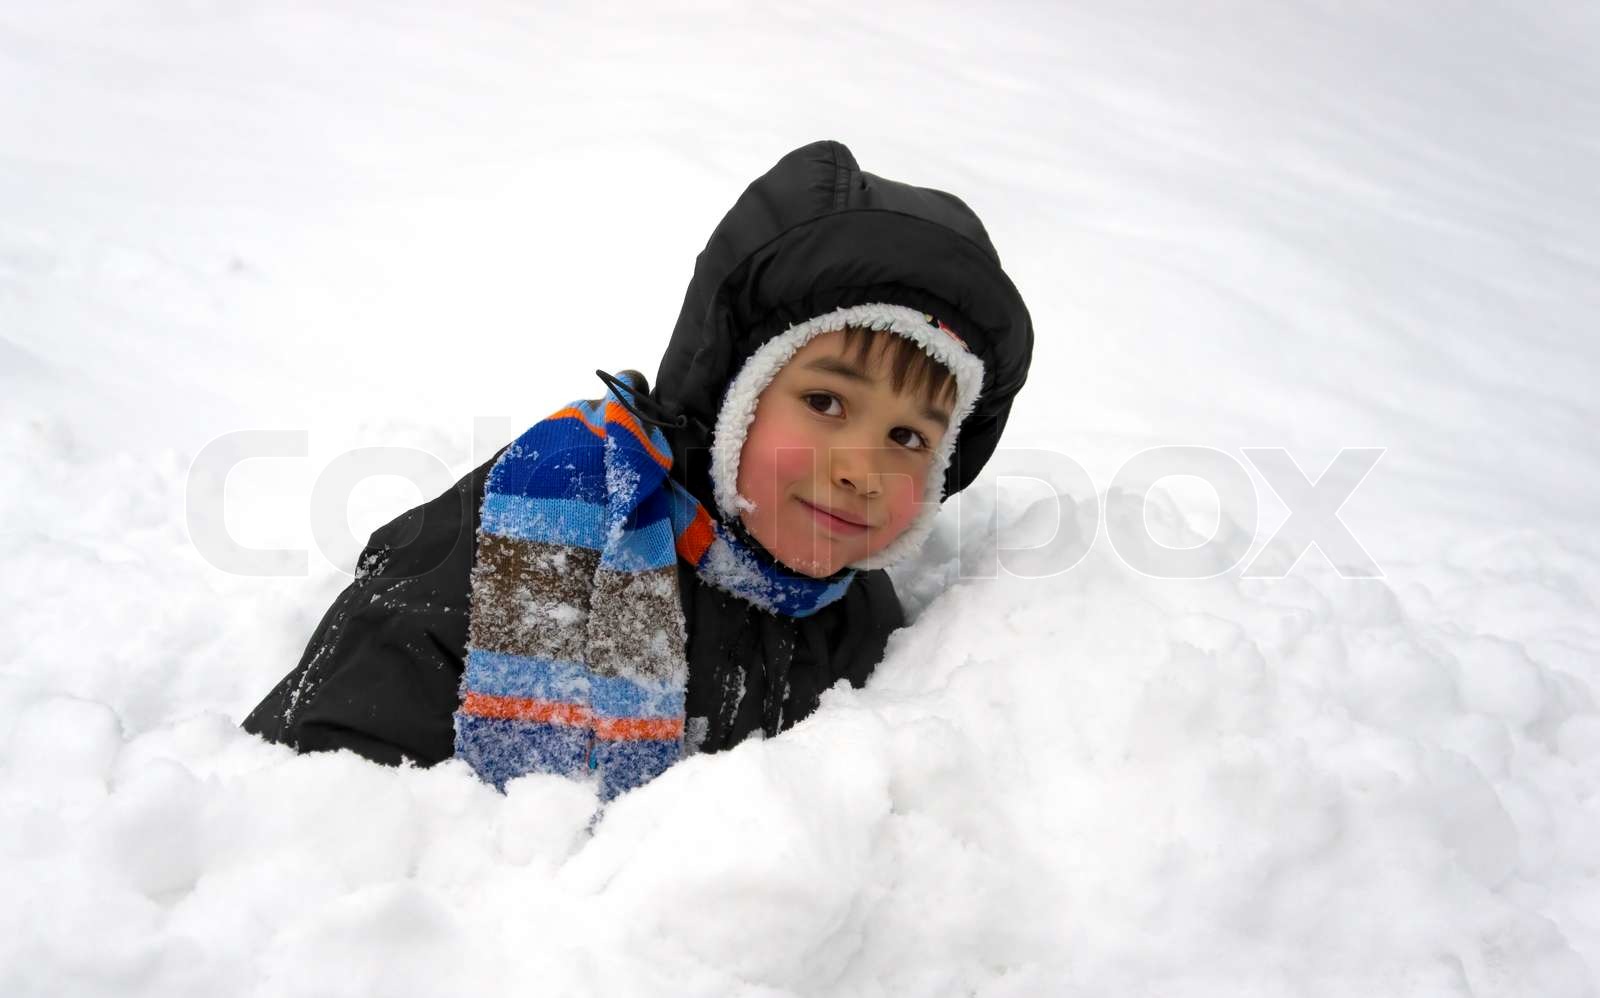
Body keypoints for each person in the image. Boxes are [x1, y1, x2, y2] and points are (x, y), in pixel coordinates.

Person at [242, 139, 1033, 799]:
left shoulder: (857, 622)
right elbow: (323, 769)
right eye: (826, 403)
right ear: (732, 392)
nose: (865, 469)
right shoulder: (536, 524)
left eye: (908, 437)